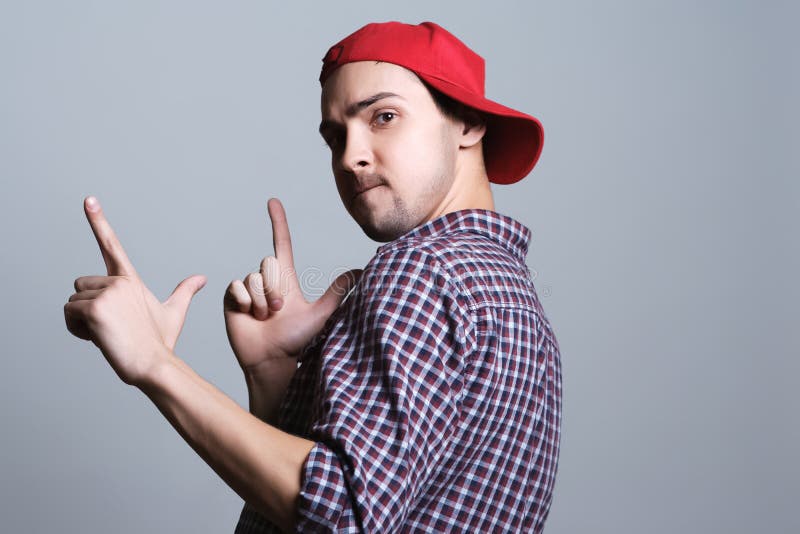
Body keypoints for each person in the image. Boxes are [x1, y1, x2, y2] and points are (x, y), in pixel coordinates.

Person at [64, 20, 561, 533]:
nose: (350, 157)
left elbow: (341, 512)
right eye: (336, 137)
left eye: (384, 117)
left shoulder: (423, 271)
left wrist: (154, 363)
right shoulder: (508, 293)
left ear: (468, 123)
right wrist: (274, 376)